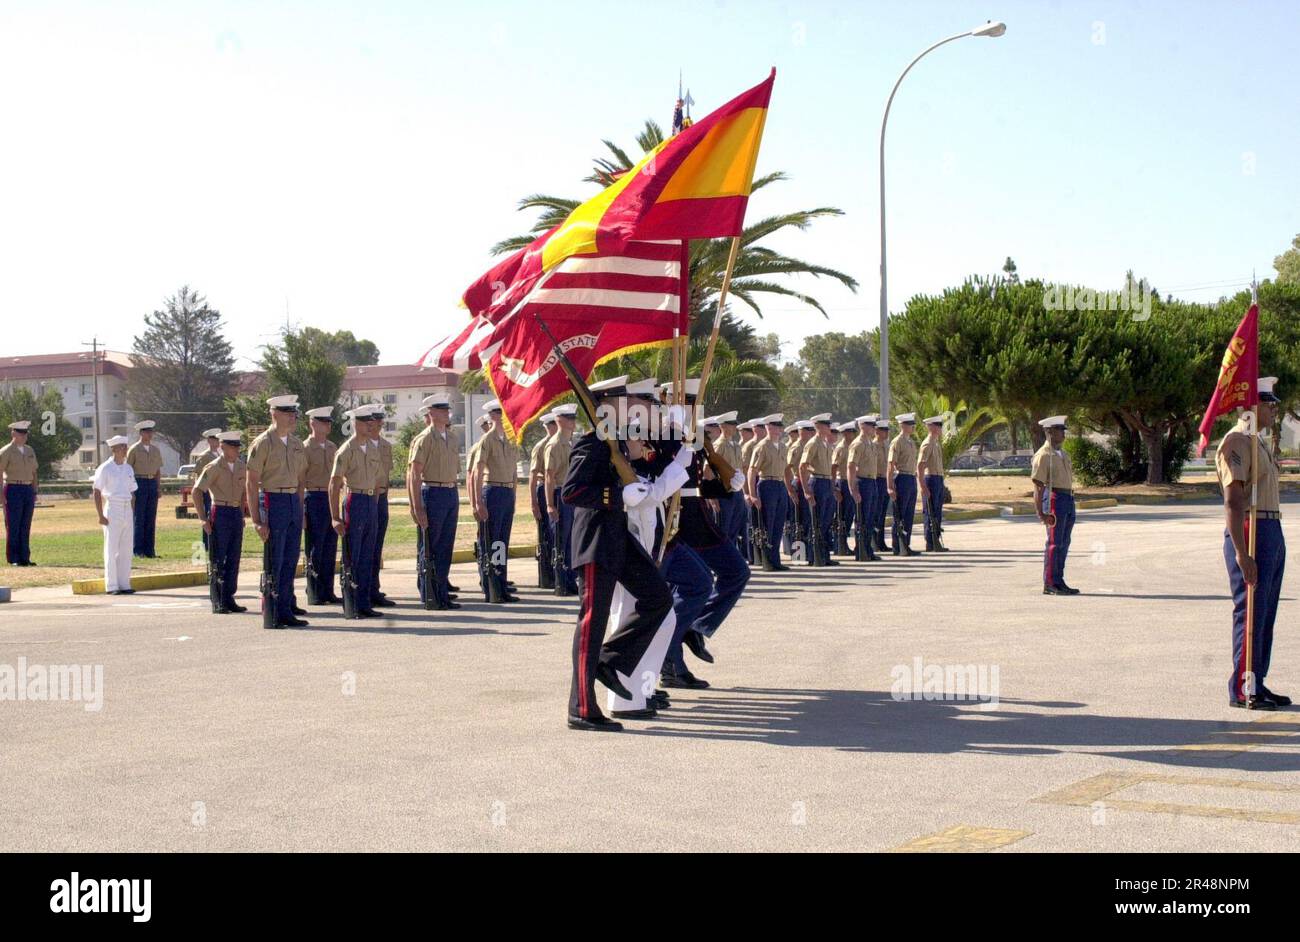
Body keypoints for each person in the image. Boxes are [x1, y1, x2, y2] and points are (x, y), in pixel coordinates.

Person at [562, 376, 675, 732]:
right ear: (607, 405)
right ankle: (582, 708)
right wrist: (615, 496)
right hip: (596, 540)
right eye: (623, 401)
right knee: (592, 623)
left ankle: (609, 661)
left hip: (617, 536)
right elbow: (572, 491)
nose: (629, 407)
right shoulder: (592, 442)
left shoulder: (617, 441)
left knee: (658, 597)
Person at [658, 380, 750, 683]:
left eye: (693, 403)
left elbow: (697, 482)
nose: (690, 408)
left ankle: (694, 627)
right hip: (676, 520)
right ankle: (672, 664)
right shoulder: (661, 432)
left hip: (698, 518)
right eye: (684, 402)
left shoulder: (693, 433)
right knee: (686, 589)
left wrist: (724, 483)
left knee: (737, 572)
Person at [605, 418, 690, 719]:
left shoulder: (635, 472)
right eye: (638, 438)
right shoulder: (618, 474)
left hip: (641, 560)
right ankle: (624, 700)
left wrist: (679, 465)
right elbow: (649, 496)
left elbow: (652, 493)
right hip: (626, 563)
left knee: (662, 622)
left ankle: (643, 690)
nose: (644, 443)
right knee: (627, 623)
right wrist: (678, 467)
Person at [1215, 378, 1288, 709]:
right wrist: (1242, 553)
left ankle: (1257, 680)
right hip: (1251, 529)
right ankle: (1243, 687)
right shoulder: (1237, 441)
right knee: (1251, 612)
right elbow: (1233, 501)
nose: (1274, 410)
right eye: (1268, 404)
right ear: (1251, 406)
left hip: (1270, 527)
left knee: (1265, 613)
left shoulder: (1256, 441)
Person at [245, 394, 309, 628]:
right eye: (288, 413)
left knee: (291, 559)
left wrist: (300, 510)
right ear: (274, 414)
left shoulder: (296, 444)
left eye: (294, 413)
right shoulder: (263, 443)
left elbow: (301, 480)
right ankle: (271, 612)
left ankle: (285, 609)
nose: (293, 418)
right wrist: (257, 520)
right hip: (273, 499)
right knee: (275, 560)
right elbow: (251, 482)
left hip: (292, 501)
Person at [408, 393, 461, 610]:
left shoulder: (452, 438)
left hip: (450, 492)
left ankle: (441, 592)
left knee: (445, 546)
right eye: (442, 410)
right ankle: (429, 593)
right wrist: (417, 507)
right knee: (430, 546)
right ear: (431, 413)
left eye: (447, 409)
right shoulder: (424, 439)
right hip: (432, 492)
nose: (447, 413)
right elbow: (414, 474)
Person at [330, 407, 383, 620]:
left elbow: (377, 481)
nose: (370, 425)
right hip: (355, 500)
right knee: (353, 555)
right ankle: (351, 604)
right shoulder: (346, 450)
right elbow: (334, 484)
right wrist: (335, 517)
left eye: (371, 422)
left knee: (368, 555)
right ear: (355, 424)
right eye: (365, 422)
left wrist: (374, 503)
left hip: (370, 501)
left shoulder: (372, 448)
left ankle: (364, 603)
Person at [193, 431, 248, 613]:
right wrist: (203, 518)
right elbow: (197, 491)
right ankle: (217, 599)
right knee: (218, 557)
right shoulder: (214, 466)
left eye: (238, 447)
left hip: (235, 513)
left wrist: (241, 514)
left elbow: (243, 492)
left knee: (234, 557)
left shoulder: (241, 466)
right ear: (223, 447)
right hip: (220, 511)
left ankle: (229, 597)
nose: (236, 450)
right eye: (233, 447)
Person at [471, 400, 521, 603]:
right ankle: (490, 586)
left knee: (501, 542)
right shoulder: (487, 440)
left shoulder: (510, 439)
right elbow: (477, 472)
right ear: (493, 416)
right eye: (501, 412)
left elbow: (514, 471)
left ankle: (501, 584)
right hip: (492, 491)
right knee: (490, 541)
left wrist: (514, 495)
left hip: (506, 492)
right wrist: (477, 502)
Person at [1031, 415, 1077, 596]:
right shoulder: (1043, 456)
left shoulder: (1063, 454)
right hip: (1054, 499)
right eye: (1059, 430)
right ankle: (1050, 583)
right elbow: (1038, 487)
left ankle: (1059, 580)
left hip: (1067, 499)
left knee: (1064, 542)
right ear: (1049, 432)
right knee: (1054, 543)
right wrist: (1041, 513)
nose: (1063, 434)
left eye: (1063, 430)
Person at [302, 407, 339, 605]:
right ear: (313, 423)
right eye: (323, 422)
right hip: (313, 497)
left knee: (330, 546)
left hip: (330, 498)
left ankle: (328, 590)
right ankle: (314, 591)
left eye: (329, 422)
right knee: (315, 547)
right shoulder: (305, 448)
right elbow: (300, 480)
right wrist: (302, 510)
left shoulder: (333, 447)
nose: (328, 425)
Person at [92, 436, 137, 595]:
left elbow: (132, 492)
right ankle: (111, 585)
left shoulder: (128, 468)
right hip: (113, 507)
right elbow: (97, 491)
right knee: (111, 549)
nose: (125, 450)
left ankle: (124, 583)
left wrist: (131, 511)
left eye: (125, 446)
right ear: (114, 449)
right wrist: (100, 515)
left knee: (126, 548)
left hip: (126, 507)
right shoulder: (105, 468)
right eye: (122, 447)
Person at [748, 414, 791, 571]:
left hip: (780, 485)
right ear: (769, 427)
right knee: (767, 524)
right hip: (767, 484)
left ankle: (775, 559)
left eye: (780, 426)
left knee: (778, 523)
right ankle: (766, 560)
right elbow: (752, 471)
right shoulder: (762, 446)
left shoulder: (783, 446)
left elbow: (786, 470)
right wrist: (753, 494)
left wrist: (789, 488)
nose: (779, 429)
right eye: (776, 426)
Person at [545, 404, 579, 596]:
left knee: (571, 541)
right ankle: (561, 582)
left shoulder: (570, 442)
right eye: (569, 418)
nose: (573, 422)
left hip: (571, 495)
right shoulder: (555, 444)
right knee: (561, 540)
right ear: (560, 420)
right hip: (559, 494)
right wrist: (550, 504)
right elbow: (549, 476)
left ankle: (570, 579)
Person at [366, 405, 396, 608]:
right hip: (366, 497)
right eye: (374, 420)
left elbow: (386, 475)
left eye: (380, 420)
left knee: (377, 546)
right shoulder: (362, 445)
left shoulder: (385, 446)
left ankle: (374, 588)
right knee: (366, 546)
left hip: (382, 498)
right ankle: (364, 589)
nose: (378, 423)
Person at [800, 414, 838, 566]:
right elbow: (803, 466)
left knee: (826, 521)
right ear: (819, 426)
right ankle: (813, 555)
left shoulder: (826, 444)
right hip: (818, 481)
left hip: (827, 482)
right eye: (826, 425)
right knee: (816, 521)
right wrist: (806, 490)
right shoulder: (813, 443)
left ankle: (824, 555)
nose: (829, 427)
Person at [0, 419, 38, 566]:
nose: (24, 436)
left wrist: (34, 490)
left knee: (25, 525)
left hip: (27, 489)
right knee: (13, 525)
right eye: (21, 434)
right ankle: (14, 558)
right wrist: (1, 495)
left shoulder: (29, 450)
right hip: (13, 488)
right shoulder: (6, 451)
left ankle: (25, 557)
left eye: (25, 434)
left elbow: (34, 472)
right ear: (13, 434)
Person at [529, 412, 558, 589]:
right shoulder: (541, 447)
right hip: (543, 490)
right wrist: (533, 502)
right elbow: (533, 476)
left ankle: (560, 573)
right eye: (552, 424)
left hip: (558, 489)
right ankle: (548, 575)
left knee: (559, 534)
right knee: (547, 533)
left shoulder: (563, 443)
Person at [126, 419, 163, 558]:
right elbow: (128, 471)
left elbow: (158, 470)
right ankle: (138, 550)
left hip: (152, 482)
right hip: (139, 482)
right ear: (141, 433)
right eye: (147, 432)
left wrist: (158, 487)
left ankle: (150, 550)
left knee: (151, 517)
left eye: (151, 431)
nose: (150, 434)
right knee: (139, 517)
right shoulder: (134, 449)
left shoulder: (155, 450)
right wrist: (131, 490)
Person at [849, 415, 882, 561]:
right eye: (871, 425)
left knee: (870, 518)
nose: (874, 428)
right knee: (862, 519)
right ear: (863, 426)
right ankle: (860, 549)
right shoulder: (858, 444)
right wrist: (853, 489)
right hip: (863, 482)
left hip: (872, 482)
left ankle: (867, 549)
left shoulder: (871, 444)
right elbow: (851, 466)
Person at [887, 413, 921, 556]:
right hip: (902, 478)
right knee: (899, 514)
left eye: (913, 424)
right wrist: (890, 486)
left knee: (908, 514)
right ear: (902, 425)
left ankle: (906, 544)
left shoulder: (911, 442)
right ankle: (897, 545)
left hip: (911, 478)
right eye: (910, 424)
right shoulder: (897, 442)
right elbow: (891, 465)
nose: (913, 427)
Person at [918, 415, 949, 552]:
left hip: (938, 479)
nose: (940, 428)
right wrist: (923, 486)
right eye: (938, 425)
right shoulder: (927, 444)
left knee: (936, 512)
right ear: (931, 427)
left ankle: (936, 540)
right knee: (929, 512)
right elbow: (920, 466)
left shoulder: (936, 443)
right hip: (930, 479)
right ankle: (930, 542)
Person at [193, 428, 222, 552]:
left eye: (218, 439)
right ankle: (207, 543)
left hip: (218, 491)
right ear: (209, 441)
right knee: (208, 517)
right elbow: (198, 477)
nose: (217, 441)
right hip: (207, 491)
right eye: (214, 439)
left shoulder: (219, 455)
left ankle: (215, 542)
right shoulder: (204, 456)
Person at [832, 421, 858, 555]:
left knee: (849, 515)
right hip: (842, 482)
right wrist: (834, 488)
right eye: (851, 432)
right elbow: (833, 467)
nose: (853, 435)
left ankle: (843, 543)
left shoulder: (853, 446)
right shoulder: (841, 448)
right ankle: (839, 544)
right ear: (845, 434)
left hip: (851, 482)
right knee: (841, 516)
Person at [872, 418, 892, 552]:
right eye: (884, 430)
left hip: (884, 480)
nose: (887, 433)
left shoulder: (885, 445)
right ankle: (874, 541)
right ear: (877, 431)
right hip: (876, 479)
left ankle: (881, 541)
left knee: (882, 513)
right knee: (875, 513)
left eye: (887, 430)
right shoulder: (873, 445)